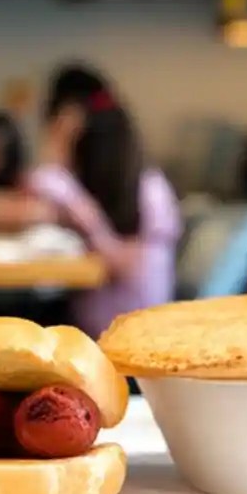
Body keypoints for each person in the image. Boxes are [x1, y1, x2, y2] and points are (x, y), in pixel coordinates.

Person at [27, 65, 182, 337]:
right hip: (90, 325)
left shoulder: (149, 188)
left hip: (127, 337)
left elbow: (128, 266)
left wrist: (80, 209)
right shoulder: (105, 191)